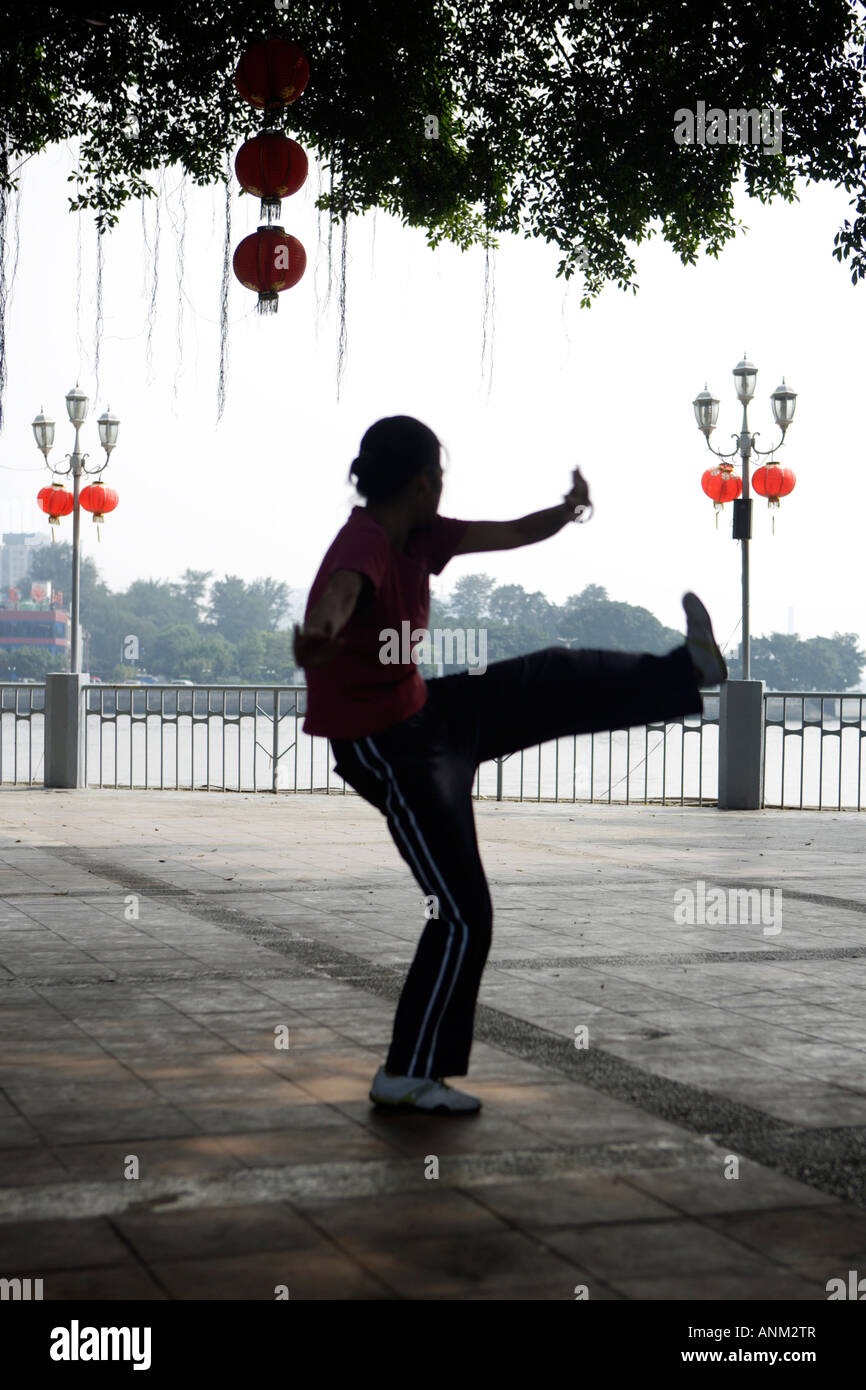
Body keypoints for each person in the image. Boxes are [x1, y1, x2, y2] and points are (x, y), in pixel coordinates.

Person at [293, 415, 727, 1116]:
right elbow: (343, 591)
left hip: (427, 714)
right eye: (441, 476)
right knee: (463, 915)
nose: (445, 487)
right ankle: (407, 1073)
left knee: (547, 676)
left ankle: (687, 673)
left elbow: (514, 532)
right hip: (388, 747)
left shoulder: (422, 534)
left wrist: (566, 510)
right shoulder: (365, 539)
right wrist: (321, 634)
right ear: (425, 479)